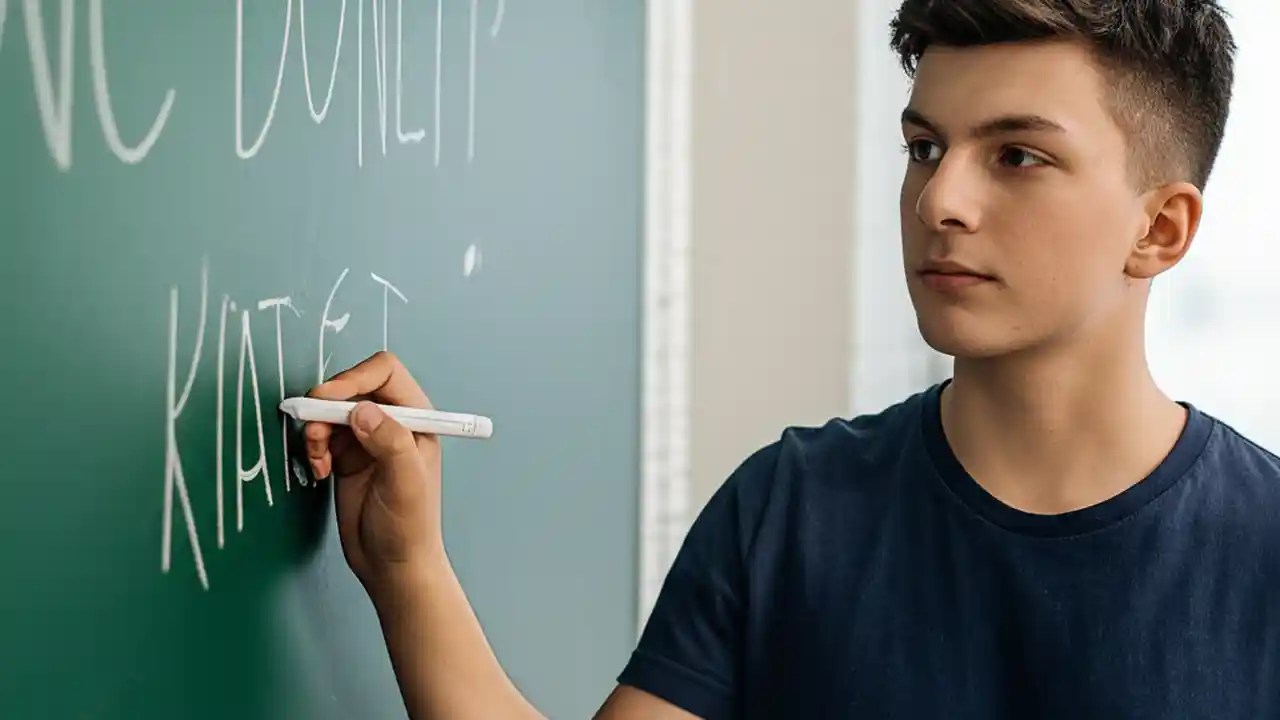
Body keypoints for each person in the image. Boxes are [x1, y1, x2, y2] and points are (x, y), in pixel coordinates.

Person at [303, 0, 1279, 717]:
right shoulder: (793, 509)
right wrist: (406, 566)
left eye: (1016, 156)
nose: (940, 201)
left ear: (1159, 229)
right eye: (923, 148)